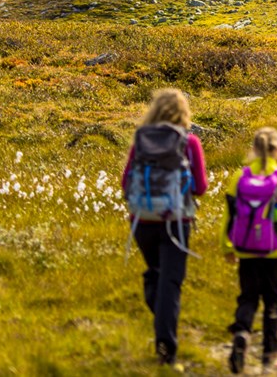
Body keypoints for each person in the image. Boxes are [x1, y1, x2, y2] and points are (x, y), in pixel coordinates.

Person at [121, 88, 208, 367]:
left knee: (154, 275)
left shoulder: (141, 140)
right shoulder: (189, 141)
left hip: (143, 221)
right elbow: (201, 187)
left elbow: (126, 183)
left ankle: (161, 322)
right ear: (183, 113)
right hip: (177, 222)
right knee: (170, 282)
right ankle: (166, 345)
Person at [222, 127, 277, 374]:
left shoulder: (239, 177)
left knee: (247, 297)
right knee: (272, 298)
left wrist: (227, 246)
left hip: (246, 250)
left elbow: (229, 215)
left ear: (254, 148)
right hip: (275, 251)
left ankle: (241, 333)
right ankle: (270, 351)